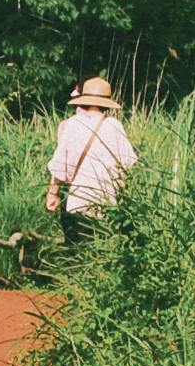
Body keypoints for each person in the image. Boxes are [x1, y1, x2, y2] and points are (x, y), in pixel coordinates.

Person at [46, 75, 137, 243]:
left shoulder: (72, 124)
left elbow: (59, 166)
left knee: (78, 250)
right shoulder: (114, 126)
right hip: (106, 203)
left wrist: (53, 194)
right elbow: (128, 164)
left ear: (84, 99)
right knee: (103, 252)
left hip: (78, 202)